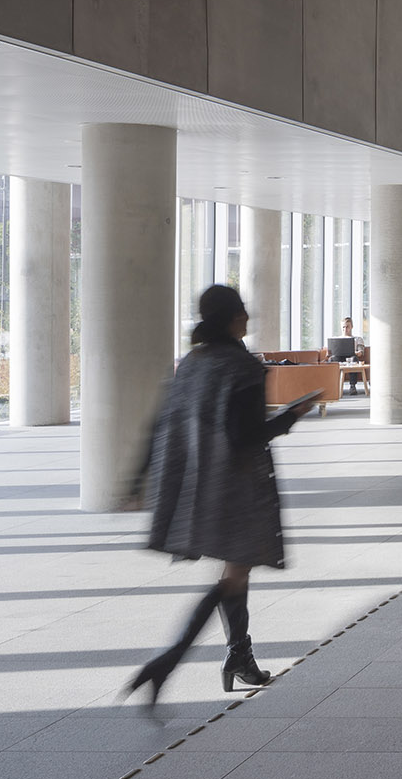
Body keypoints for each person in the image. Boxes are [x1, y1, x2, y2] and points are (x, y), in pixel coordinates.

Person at [124, 285, 315, 710]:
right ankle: (166, 663)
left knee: (235, 573)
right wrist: (291, 416)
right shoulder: (242, 366)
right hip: (237, 488)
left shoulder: (192, 363)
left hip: (200, 486)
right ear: (232, 318)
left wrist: (136, 480)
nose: (248, 317)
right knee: (233, 577)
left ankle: (239, 656)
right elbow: (246, 435)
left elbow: (161, 421)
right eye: (243, 311)